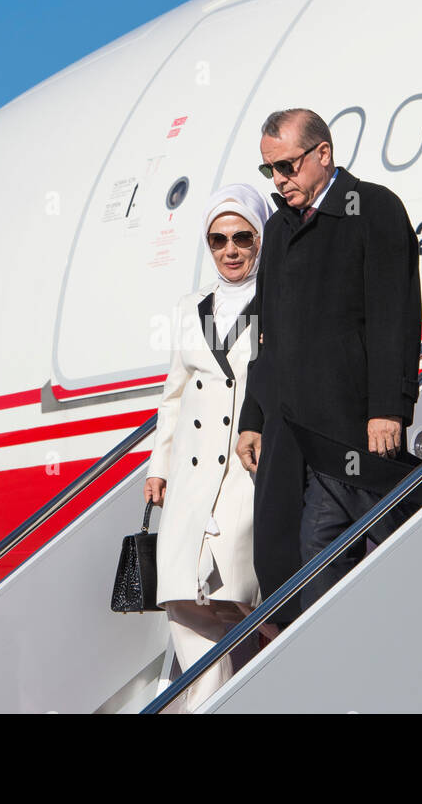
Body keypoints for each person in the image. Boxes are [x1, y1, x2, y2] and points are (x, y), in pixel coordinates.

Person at [236, 108, 422, 622]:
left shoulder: (372, 208)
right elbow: (265, 339)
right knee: (286, 562)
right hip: (290, 434)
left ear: (323, 154)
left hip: (349, 429)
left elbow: (394, 316)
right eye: (270, 171)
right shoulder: (280, 230)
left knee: (329, 551)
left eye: (286, 166)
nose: (279, 180)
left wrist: (388, 408)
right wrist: (253, 419)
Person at [144, 183, 274, 712]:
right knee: (183, 600)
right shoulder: (190, 307)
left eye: (243, 236)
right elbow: (172, 398)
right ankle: (207, 704)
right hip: (192, 480)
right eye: (218, 240)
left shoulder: (275, 304)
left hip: (245, 475)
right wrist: (158, 467)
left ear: (261, 239)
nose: (231, 250)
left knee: (237, 597)